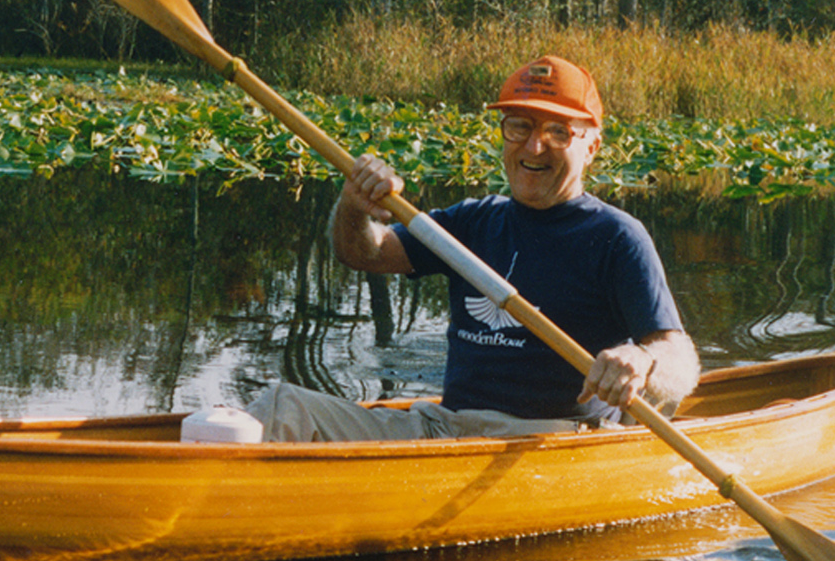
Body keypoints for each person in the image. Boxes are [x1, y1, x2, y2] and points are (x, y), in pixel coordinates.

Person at [246, 55, 699, 442]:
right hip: (445, 427)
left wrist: (644, 359)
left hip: (545, 441)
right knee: (282, 406)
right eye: (519, 126)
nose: (534, 146)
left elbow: (679, 361)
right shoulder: (473, 219)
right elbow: (365, 253)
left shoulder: (617, 236)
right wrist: (353, 206)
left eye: (559, 132)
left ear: (592, 146)